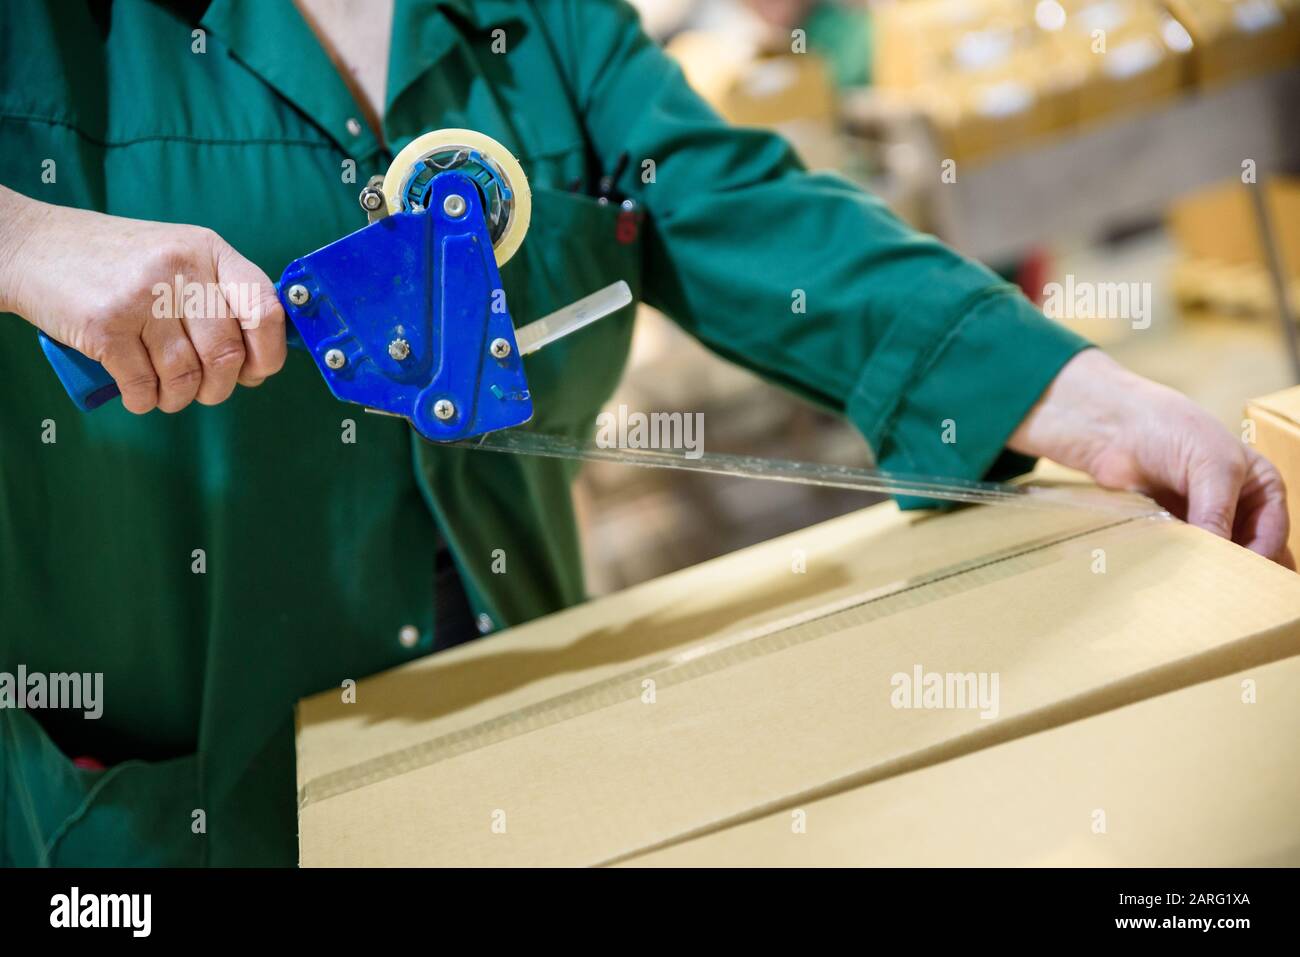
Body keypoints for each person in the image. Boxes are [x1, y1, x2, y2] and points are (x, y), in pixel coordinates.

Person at [0, 0, 1287, 867]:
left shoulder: (541, 21)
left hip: (515, 731)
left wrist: (1069, 391)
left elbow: (727, 205)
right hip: (175, 797)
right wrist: (24, 237)